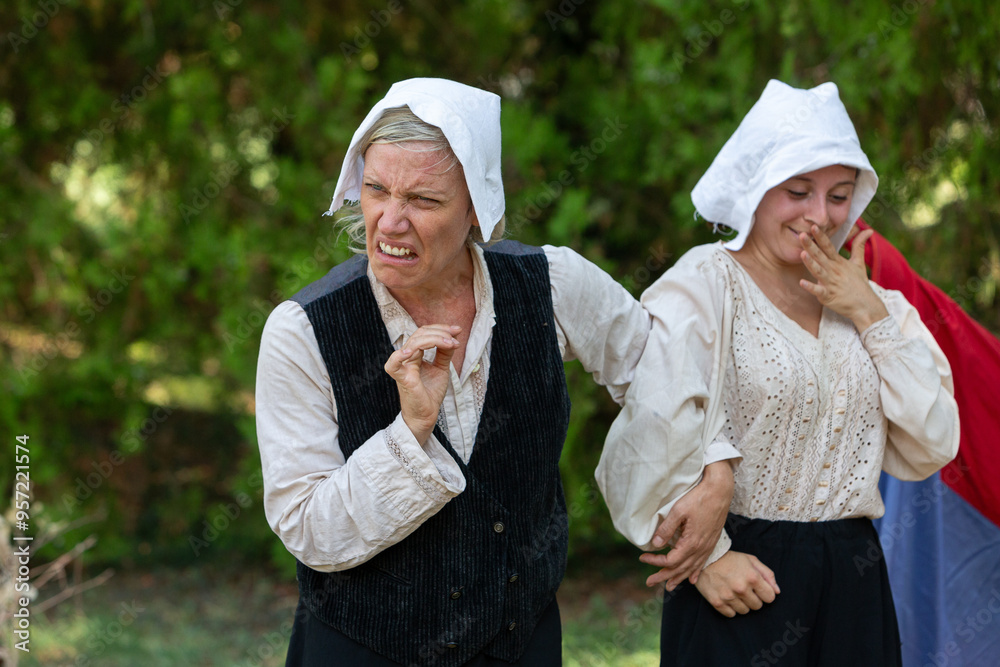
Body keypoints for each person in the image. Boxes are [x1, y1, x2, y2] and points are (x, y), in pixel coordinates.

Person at [255, 77, 732, 667]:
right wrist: (410, 433)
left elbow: (662, 366)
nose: (390, 221)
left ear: (479, 208)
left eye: (424, 200)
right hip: (361, 649)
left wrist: (714, 469)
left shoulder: (552, 285)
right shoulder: (301, 330)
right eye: (376, 190)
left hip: (519, 642)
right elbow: (308, 529)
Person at [596, 79, 960, 665]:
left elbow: (933, 442)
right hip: (740, 574)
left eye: (840, 196)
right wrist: (708, 559)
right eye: (798, 191)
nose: (820, 215)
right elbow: (653, 421)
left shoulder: (882, 309)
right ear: (757, 186)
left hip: (855, 579)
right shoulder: (707, 283)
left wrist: (867, 312)